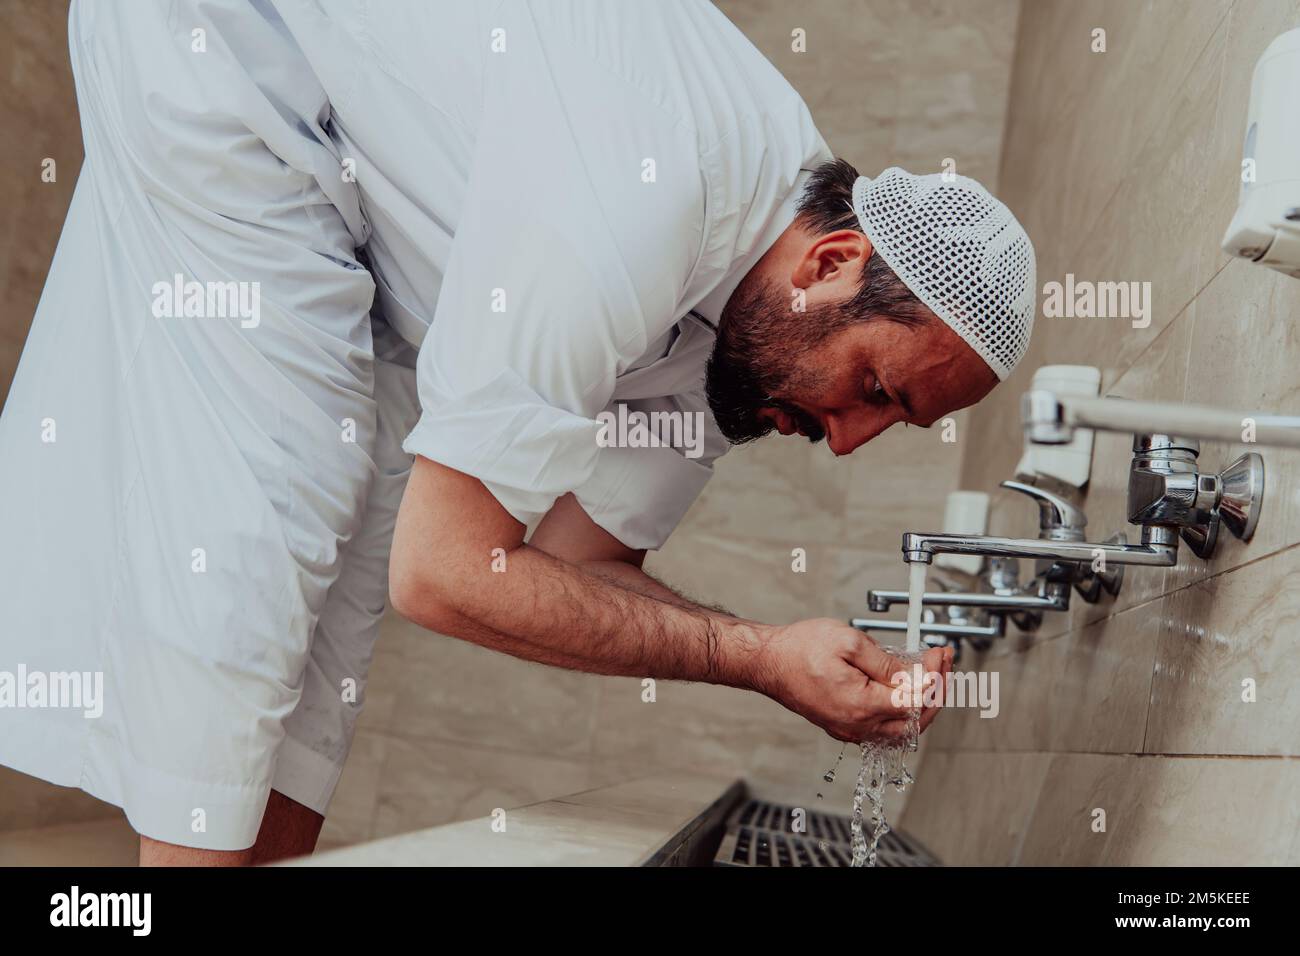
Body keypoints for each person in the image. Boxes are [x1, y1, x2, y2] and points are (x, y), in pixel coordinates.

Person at [0, 0, 1034, 865]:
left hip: (356, 184)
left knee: (345, 575)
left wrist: (779, 651)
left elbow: (575, 564)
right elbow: (446, 574)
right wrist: (756, 658)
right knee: (275, 505)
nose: (847, 440)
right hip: (226, 50)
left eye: (893, 422)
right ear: (832, 264)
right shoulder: (640, 195)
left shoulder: (752, 333)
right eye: (873, 388)